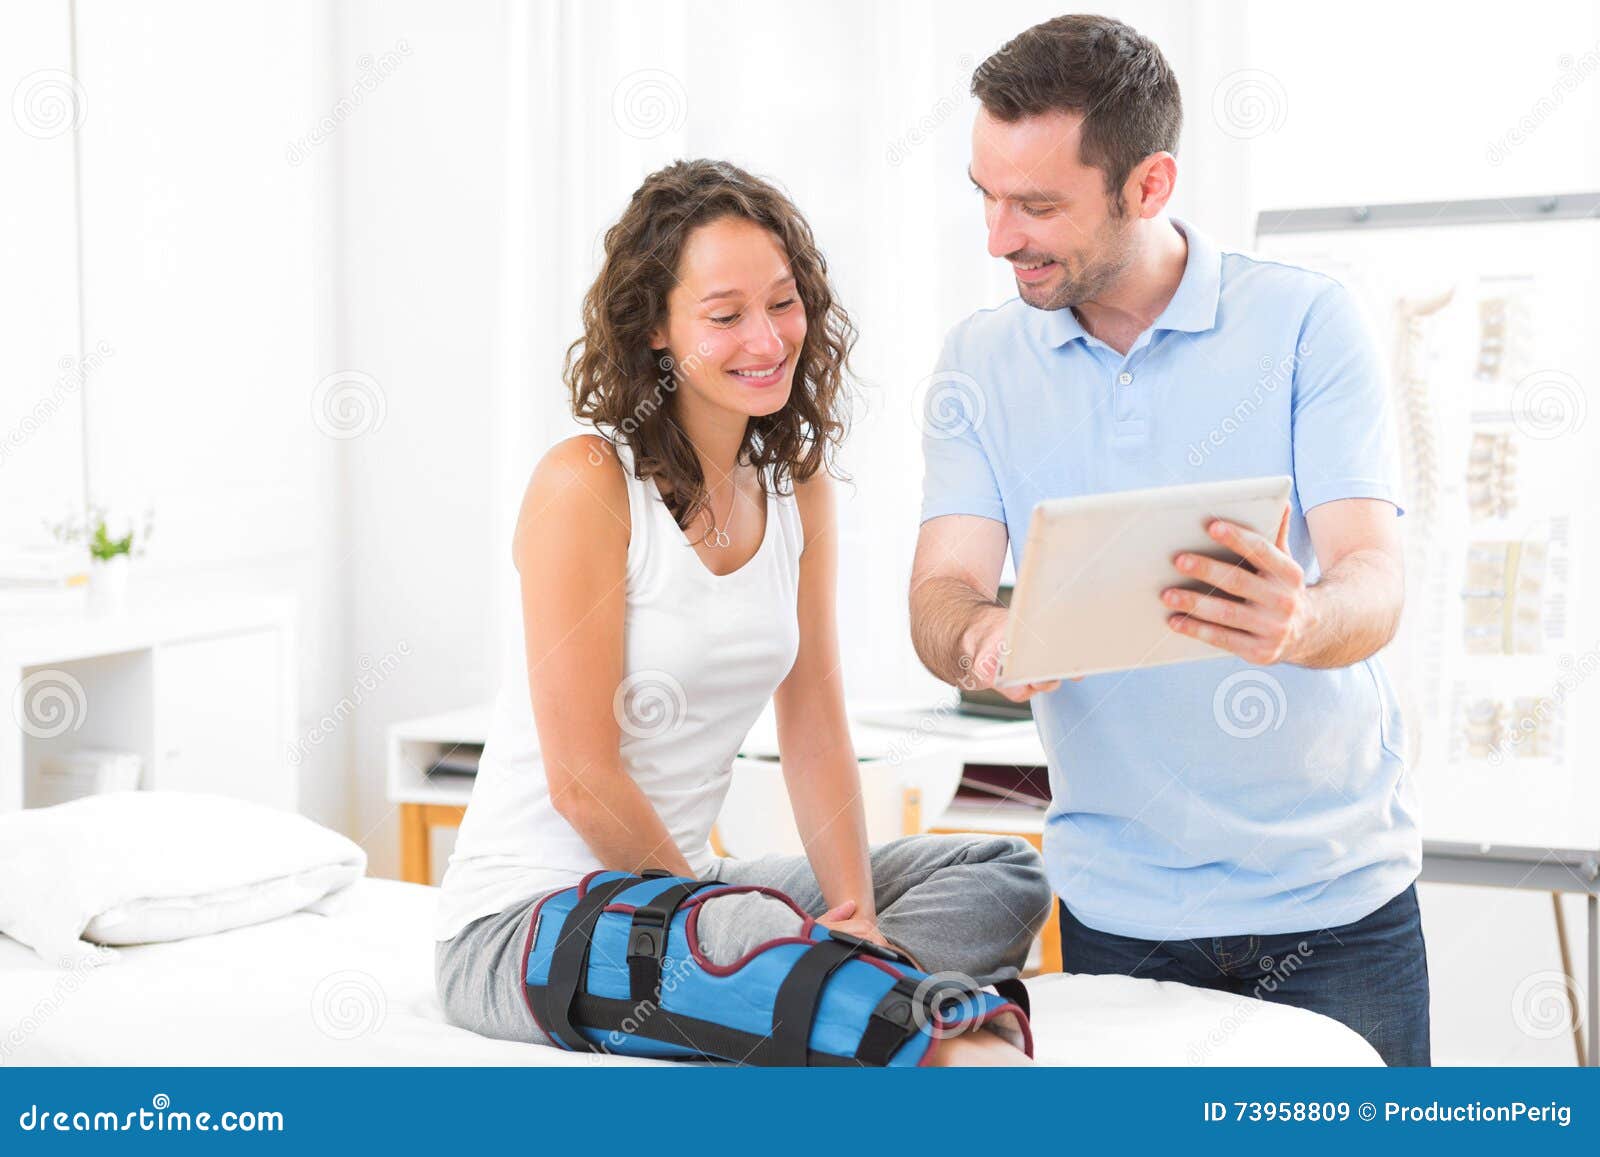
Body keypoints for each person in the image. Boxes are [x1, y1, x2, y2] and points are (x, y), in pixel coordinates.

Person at [435, 158, 1052, 1066]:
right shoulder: (588, 482)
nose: (766, 338)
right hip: (530, 919)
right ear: (653, 328)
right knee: (745, 931)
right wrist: (710, 917)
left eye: (783, 302)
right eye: (725, 316)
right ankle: (903, 1022)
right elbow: (582, 778)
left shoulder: (795, 488)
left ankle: (831, 979)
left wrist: (860, 914)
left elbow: (812, 724)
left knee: (1000, 873)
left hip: (692, 892)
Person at [909, 15, 1428, 1065]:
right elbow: (942, 589)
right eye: (987, 196)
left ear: (1148, 186)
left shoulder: (1304, 323)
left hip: (1336, 906)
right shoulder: (978, 358)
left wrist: (1302, 618)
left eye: (1037, 205)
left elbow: (1373, 580)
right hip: (1118, 915)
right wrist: (979, 642)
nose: (999, 236)